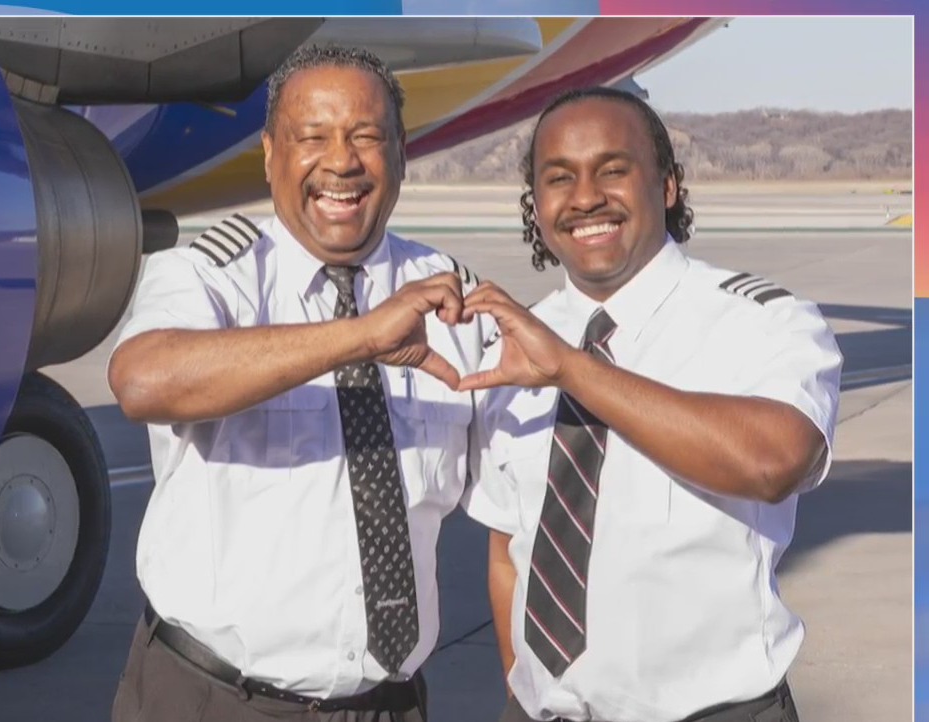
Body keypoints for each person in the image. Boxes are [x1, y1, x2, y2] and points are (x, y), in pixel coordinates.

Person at [107, 44, 495, 722]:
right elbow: (142, 380)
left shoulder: (454, 299)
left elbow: (517, 511)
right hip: (212, 701)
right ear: (269, 153)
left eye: (366, 137)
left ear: (400, 150)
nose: (340, 161)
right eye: (312, 138)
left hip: (388, 705)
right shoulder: (211, 275)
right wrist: (363, 336)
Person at [457, 87, 842, 722]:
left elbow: (776, 462)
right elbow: (507, 554)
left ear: (667, 185)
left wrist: (572, 369)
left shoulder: (760, 321)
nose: (585, 198)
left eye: (613, 169)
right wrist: (519, 698)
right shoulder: (515, 343)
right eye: (559, 178)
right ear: (537, 203)